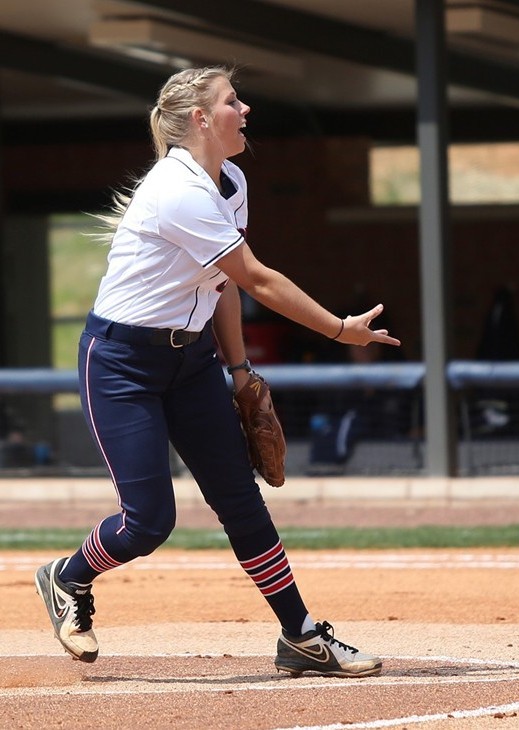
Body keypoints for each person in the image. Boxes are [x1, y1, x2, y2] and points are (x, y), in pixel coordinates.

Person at [33, 66, 399, 678]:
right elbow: (257, 277)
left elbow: (225, 281)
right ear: (201, 120)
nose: (245, 109)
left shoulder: (230, 180)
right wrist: (340, 329)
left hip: (193, 360)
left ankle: (301, 636)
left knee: (240, 498)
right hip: (121, 362)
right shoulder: (176, 188)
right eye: (233, 102)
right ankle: (67, 577)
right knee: (149, 521)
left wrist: (239, 369)